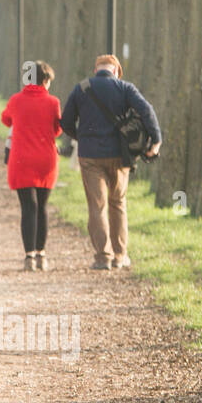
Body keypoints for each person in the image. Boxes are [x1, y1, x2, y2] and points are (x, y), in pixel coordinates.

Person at [60, 54, 162, 270]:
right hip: (119, 155)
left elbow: (66, 121)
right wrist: (156, 140)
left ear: (96, 69)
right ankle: (120, 255)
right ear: (116, 71)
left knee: (97, 206)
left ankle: (102, 257)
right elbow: (147, 111)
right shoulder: (125, 88)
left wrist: (81, 137)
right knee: (118, 203)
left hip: (89, 157)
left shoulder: (81, 88)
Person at [2, 61, 63, 271]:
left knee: (28, 207)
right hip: (46, 159)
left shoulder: (16, 100)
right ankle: (41, 255)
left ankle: (28, 256)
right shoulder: (53, 102)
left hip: (21, 160)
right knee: (42, 207)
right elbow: (57, 129)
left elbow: (5, 119)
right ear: (45, 81)